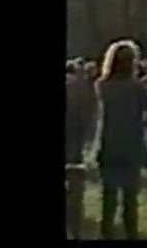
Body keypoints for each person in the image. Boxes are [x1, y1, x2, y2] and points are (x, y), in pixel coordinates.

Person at [94, 39, 147, 240]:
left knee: (109, 201)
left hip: (109, 147)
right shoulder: (137, 89)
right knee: (130, 201)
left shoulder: (101, 86)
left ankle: (108, 235)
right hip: (130, 148)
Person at [66, 60, 98, 239]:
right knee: (75, 187)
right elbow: (89, 116)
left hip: (73, 139)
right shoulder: (81, 88)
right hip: (74, 142)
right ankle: (74, 228)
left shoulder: (78, 87)